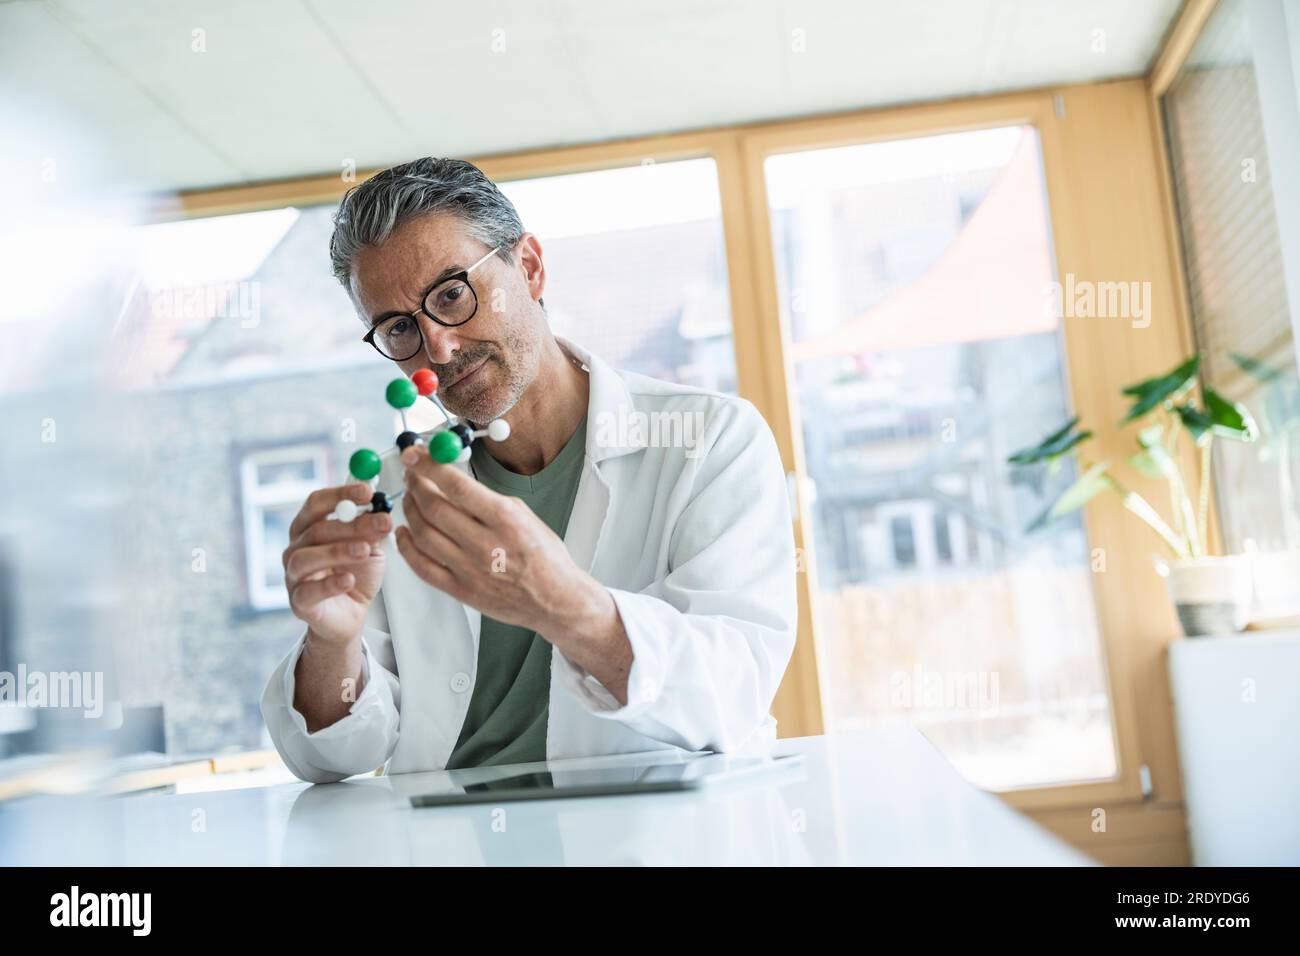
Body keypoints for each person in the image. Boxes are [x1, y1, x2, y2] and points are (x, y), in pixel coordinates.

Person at [261, 158, 797, 782]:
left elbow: (734, 689)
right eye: (399, 327)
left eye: (452, 294)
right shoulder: (392, 491)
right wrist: (331, 642)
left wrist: (564, 603)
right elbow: (331, 758)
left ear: (531, 267)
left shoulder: (707, 442)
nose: (438, 347)